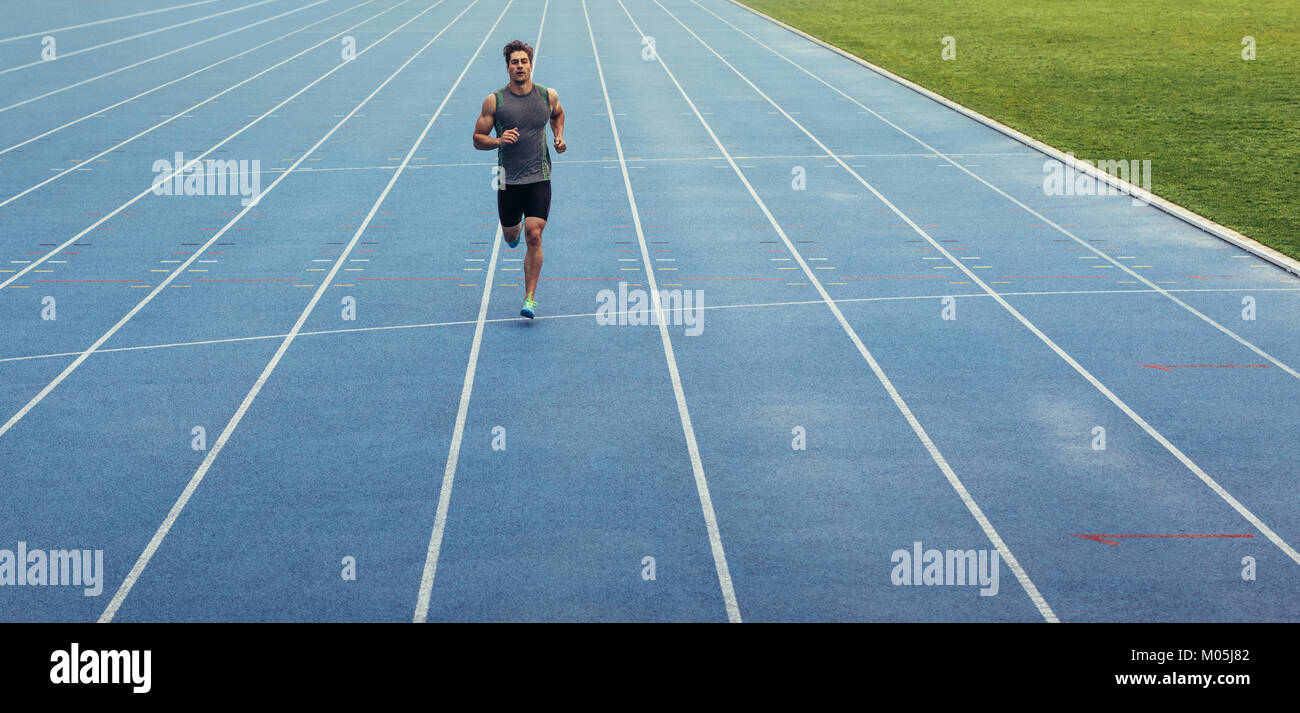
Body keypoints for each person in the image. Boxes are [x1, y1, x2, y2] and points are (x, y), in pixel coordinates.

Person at [472, 39, 565, 319]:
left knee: (534, 235)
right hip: (506, 178)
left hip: (539, 175)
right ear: (508, 68)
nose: (520, 66)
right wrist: (499, 140)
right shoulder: (495, 101)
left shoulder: (547, 96)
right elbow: (477, 139)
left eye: (524, 61)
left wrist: (559, 137)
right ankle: (510, 233)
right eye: (515, 62)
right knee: (512, 233)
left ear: (531, 65)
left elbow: (558, 115)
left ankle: (530, 298)